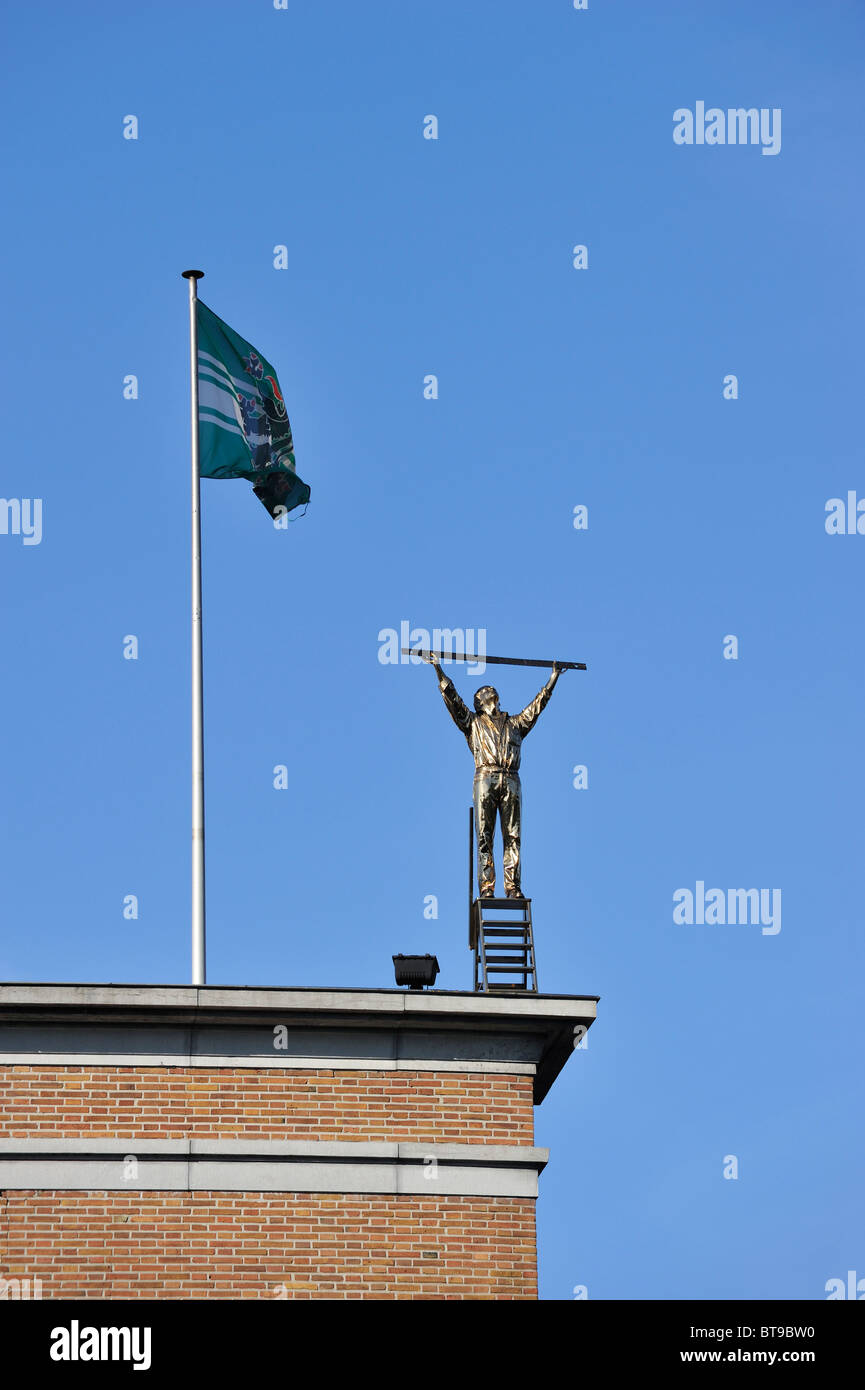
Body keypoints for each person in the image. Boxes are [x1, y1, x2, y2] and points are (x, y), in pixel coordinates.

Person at [425, 656, 566, 898]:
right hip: (486, 777)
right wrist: (438, 669)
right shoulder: (473, 723)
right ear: (479, 702)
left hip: (511, 778)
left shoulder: (515, 724)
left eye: (491, 690)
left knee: (513, 836)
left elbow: (537, 707)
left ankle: (513, 887)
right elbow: (453, 701)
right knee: (484, 836)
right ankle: (487, 887)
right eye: (484, 691)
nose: (489, 691)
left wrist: (552, 679)